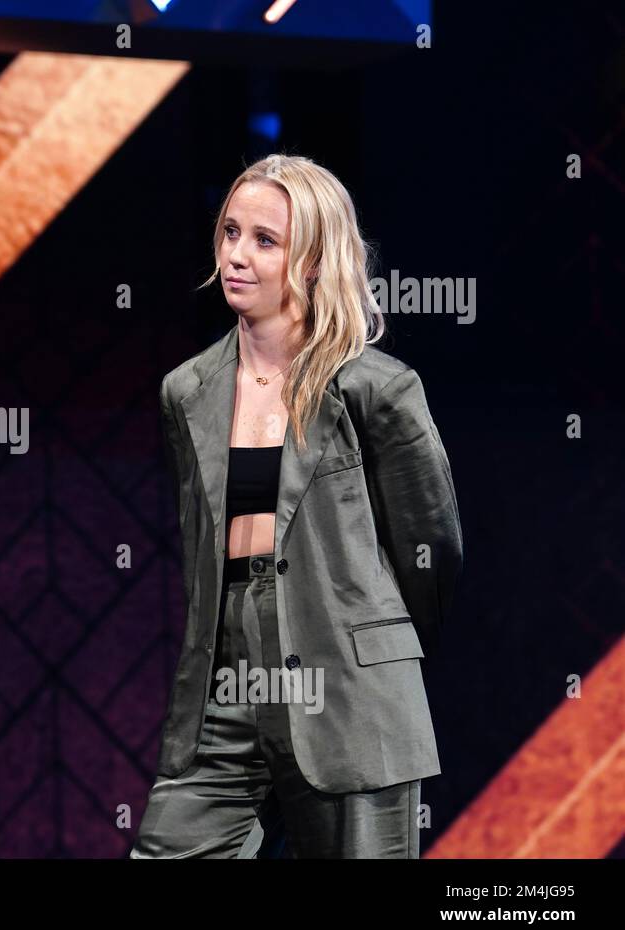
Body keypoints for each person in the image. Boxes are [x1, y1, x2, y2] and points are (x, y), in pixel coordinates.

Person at [130, 154, 463, 858]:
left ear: (312, 261)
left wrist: (372, 651)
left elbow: (431, 548)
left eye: (264, 240)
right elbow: (203, 551)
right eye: (229, 232)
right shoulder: (187, 390)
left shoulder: (376, 389)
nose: (236, 256)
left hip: (346, 692)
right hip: (224, 695)